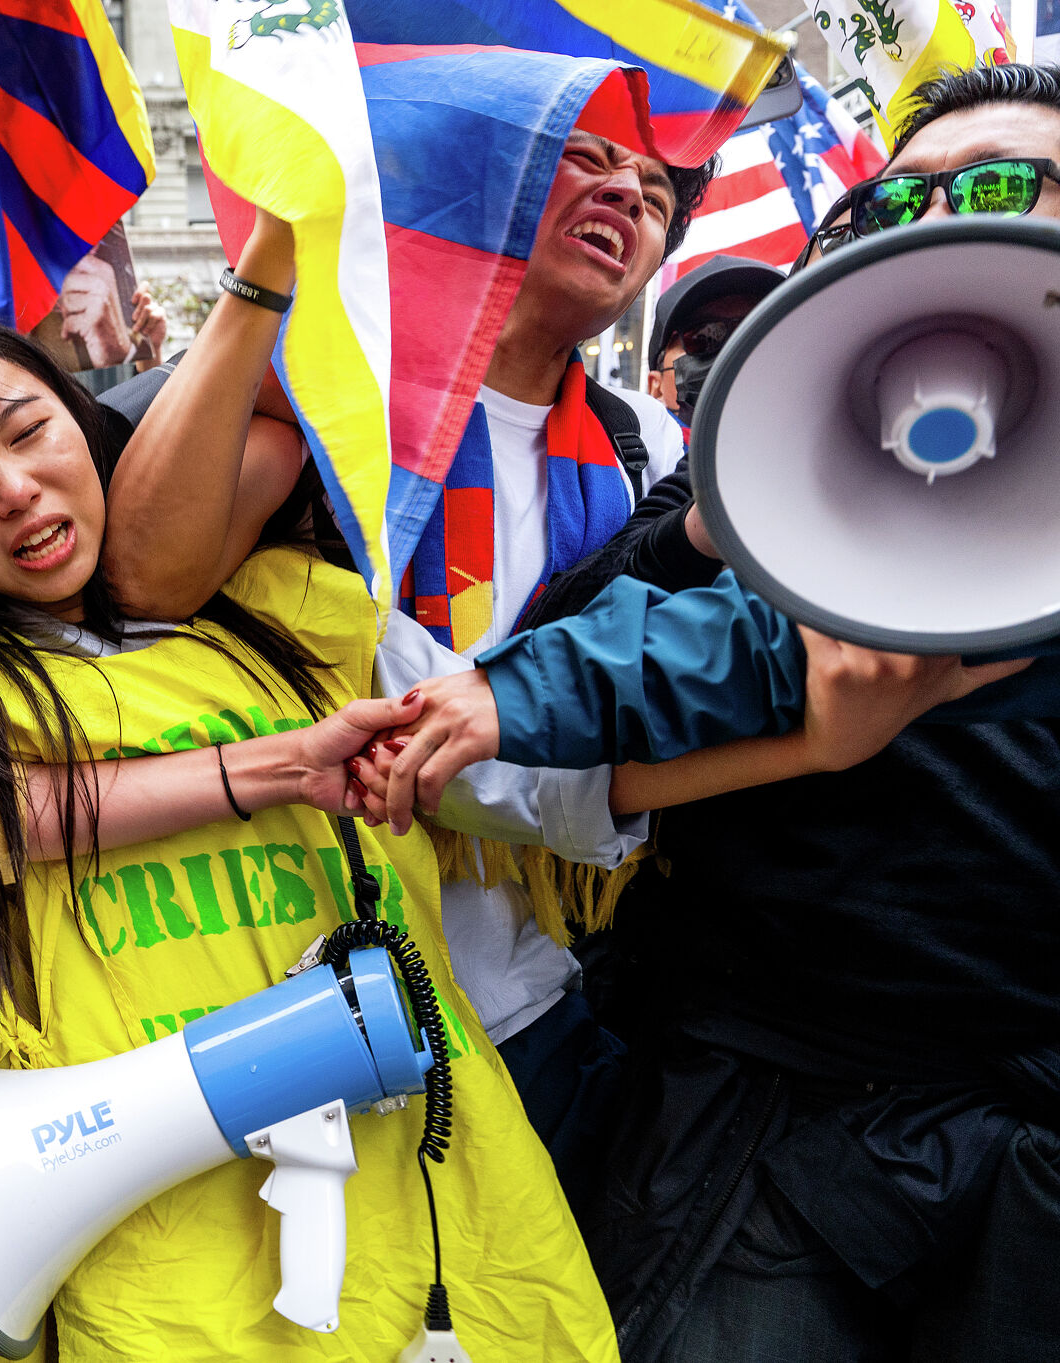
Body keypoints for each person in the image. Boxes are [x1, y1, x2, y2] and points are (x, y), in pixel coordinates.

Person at [0, 207, 618, 1356]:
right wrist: (276, 765)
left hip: (431, 1178)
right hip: (170, 1247)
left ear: (89, 428)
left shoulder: (279, 607)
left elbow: (532, 776)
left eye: (30, 432)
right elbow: (3, 817)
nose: (16, 491)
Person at [369, 63, 1060, 1363]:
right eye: (899, 199)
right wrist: (744, 483)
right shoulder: (777, 444)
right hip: (757, 1134)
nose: (950, 215)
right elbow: (559, 654)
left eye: (1008, 185)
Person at [104, 124, 716, 1206]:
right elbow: (145, 574)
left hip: (529, 1001)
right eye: (586, 155)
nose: (626, 188)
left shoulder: (648, 453)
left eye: (659, 191)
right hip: (297, 997)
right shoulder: (330, 393)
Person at [644, 254, 784, 427]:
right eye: (702, 337)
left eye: (759, 331)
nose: (736, 349)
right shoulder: (628, 453)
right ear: (657, 388)